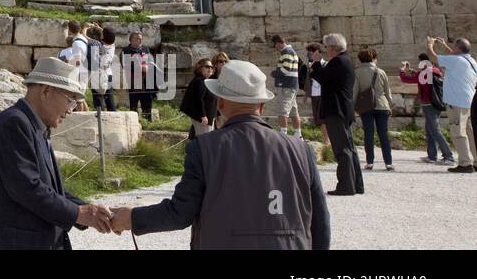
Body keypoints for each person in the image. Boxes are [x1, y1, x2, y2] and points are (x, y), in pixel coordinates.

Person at [111, 60, 330, 250]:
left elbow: (180, 213)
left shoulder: (204, 148)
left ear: (221, 102)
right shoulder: (301, 150)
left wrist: (131, 218)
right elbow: (320, 223)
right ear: (261, 105)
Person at [0, 58, 113, 250]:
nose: (71, 110)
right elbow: (27, 188)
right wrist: (78, 213)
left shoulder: (36, 127)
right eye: (70, 100)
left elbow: (51, 190)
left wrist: (90, 211)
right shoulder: (14, 123)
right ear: (46, 91)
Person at [308, 33, 363, 195]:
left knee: (342, 149)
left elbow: (322, 78)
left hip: (336, 109)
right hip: (343, 109)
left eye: (327, 47)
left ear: (332, 48)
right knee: (349, 148)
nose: (326, 51)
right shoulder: (345, 60)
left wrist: (316, 63)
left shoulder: (338, 61)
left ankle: (346, 186)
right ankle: (356, 184)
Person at [426, 36, 477, 174]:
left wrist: (430, 45)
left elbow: (434, 57)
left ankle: (465, 163)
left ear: (457, 48)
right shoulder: (471, 61)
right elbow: (455, 57)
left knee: (458, 132)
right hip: (468, 101)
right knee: (469, 131)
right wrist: (445, 46)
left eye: (453, 46)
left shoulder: (455, 61)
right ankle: (475, 160)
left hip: (457, 102)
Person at [400, 54, 454, 165]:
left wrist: (402, 70)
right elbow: (420, 77)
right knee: (430, 130)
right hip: (436, 104)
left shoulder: (424, 74)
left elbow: (406, 79)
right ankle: (432, 156)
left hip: (429, 105)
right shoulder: (436, 71)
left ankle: (449, 156)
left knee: (434, 130)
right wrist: (410, 69)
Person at [354, 47, 393, 171]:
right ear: (373, 58)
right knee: (384, 135)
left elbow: (354, 91)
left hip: (366, 106)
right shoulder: (381, 72)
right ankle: (388, 163)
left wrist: (354, 107)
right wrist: (390, 106)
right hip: (382, 105)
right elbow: (388, 92)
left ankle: (370, 162)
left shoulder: (357, 72)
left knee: (368, 134)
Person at [271, 34, 303, 137]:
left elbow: (285, 69)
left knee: (282, 110)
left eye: (274, 45)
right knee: (293, 112)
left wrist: (275, 73)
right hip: (292, 85)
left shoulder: (286, 52)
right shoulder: (293, 52)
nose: (275, 47)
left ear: (278, 42)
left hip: (285, 85)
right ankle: (298, 134)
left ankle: (283, 134)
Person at [122, 32, 159, 120]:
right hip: (134, 82)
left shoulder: (145, 49)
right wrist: (139, 68)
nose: (140, 40)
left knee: (147, 104)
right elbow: (125, 65)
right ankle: (134, 124)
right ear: (132, 39)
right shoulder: (126, 51)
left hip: (147, 82)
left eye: (141, 38)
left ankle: (147, 122)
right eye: (138, 38)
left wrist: (147, 67)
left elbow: (151, 62)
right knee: (134, 106)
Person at [179, 57, 218, 140]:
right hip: (204, 118)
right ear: (200, 68)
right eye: (207, 67)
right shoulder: (200, 81)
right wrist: (203, 115)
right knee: (204, 140)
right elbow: (199, 99)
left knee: (205, 139)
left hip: (207, 117)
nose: (210, 69)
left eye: (211, 67)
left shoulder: (203, 80)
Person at [305, 43, 330, 147]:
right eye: (309, 53)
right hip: (314, 94)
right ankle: (326, 139)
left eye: (312, 52)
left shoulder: (326, 64)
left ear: (318, 52)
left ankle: (327, 140)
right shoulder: (310, 65)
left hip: (323, 94)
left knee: (323, 118)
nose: (310, 55)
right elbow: (308, 81)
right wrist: (307, 95)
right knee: (318, 119)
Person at [91, 28, 118, 112]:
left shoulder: (99, 46)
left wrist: (84, 30)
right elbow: (110, 36)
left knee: (98, 98)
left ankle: (99, 116)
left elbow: (88, 40)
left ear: (104, 37)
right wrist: (99, 28)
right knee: (109, 98)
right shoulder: (112, 45)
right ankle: (113, 114)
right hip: (108, 74)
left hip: (98, 74)